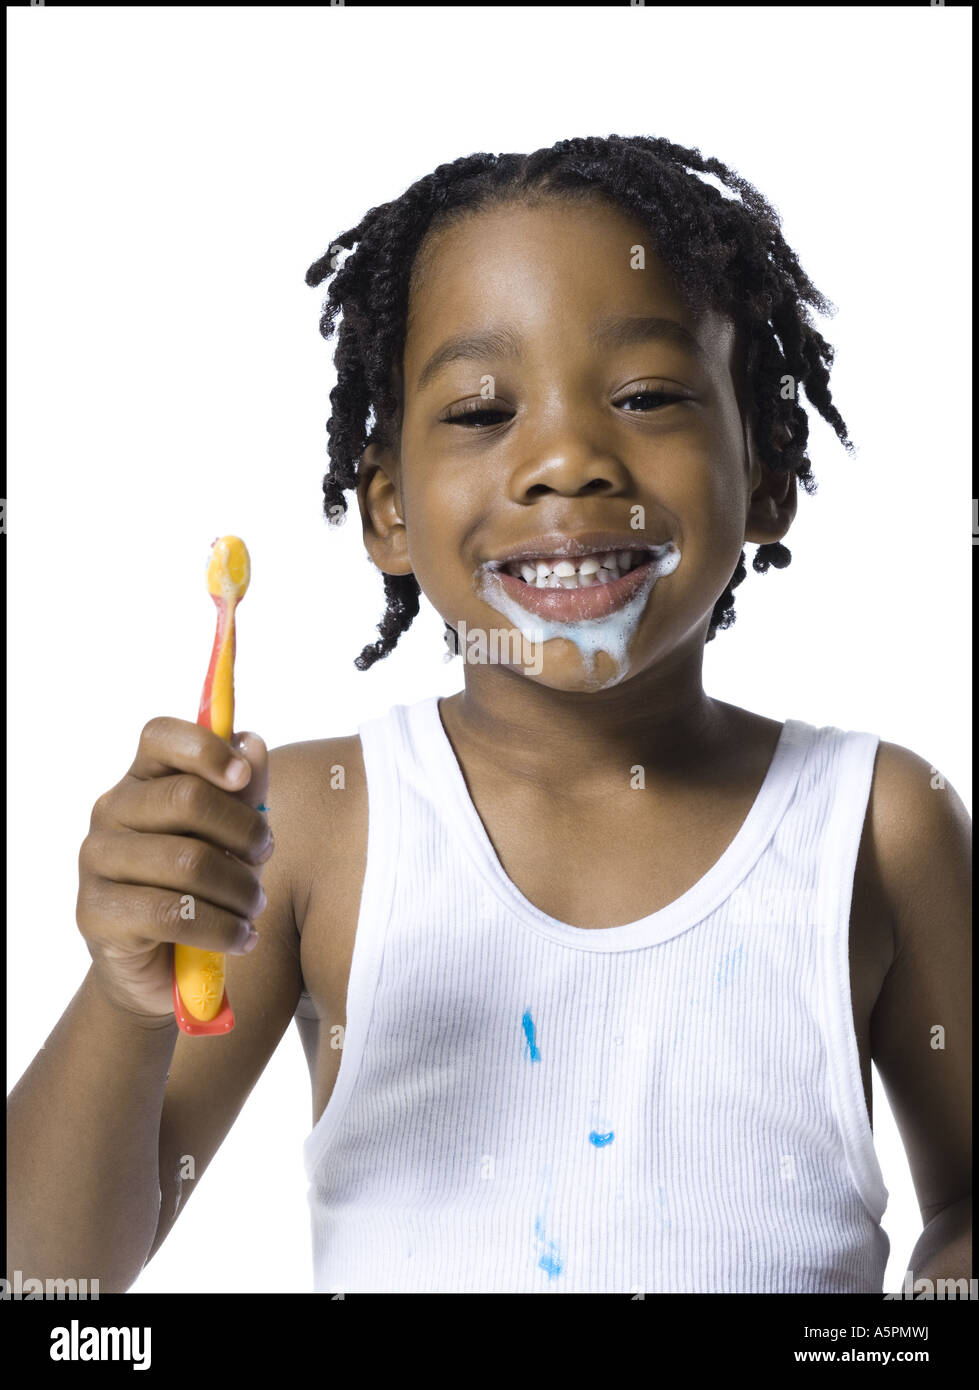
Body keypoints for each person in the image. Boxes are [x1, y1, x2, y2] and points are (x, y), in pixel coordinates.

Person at [7, 135, 971, 1294]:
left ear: (766, 472)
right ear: (389, 514)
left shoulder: (878, 822)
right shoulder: (306, 830)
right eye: (478, 412)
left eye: (646, 396)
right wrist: (127, 997)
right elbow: (50, 1284)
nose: (565, 459)